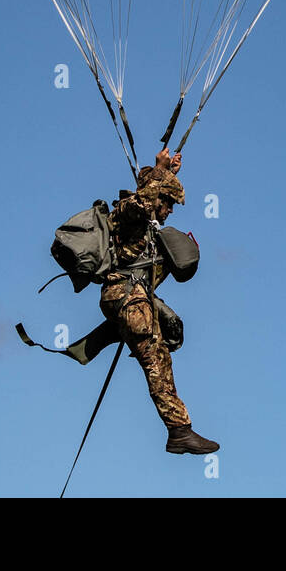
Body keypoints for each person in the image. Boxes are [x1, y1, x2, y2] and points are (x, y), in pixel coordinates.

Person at [101, 146, 219, 455]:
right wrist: (160, 169)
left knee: (160, 358)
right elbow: (146, 200)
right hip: (127, 298)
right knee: (156, 362)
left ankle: (180, 430)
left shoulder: (144, 220)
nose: (169, 212)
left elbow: (150, 198)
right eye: (168, 204)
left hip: (132, 300)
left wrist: (168, 174)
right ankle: (179, 431)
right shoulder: (130, 212)